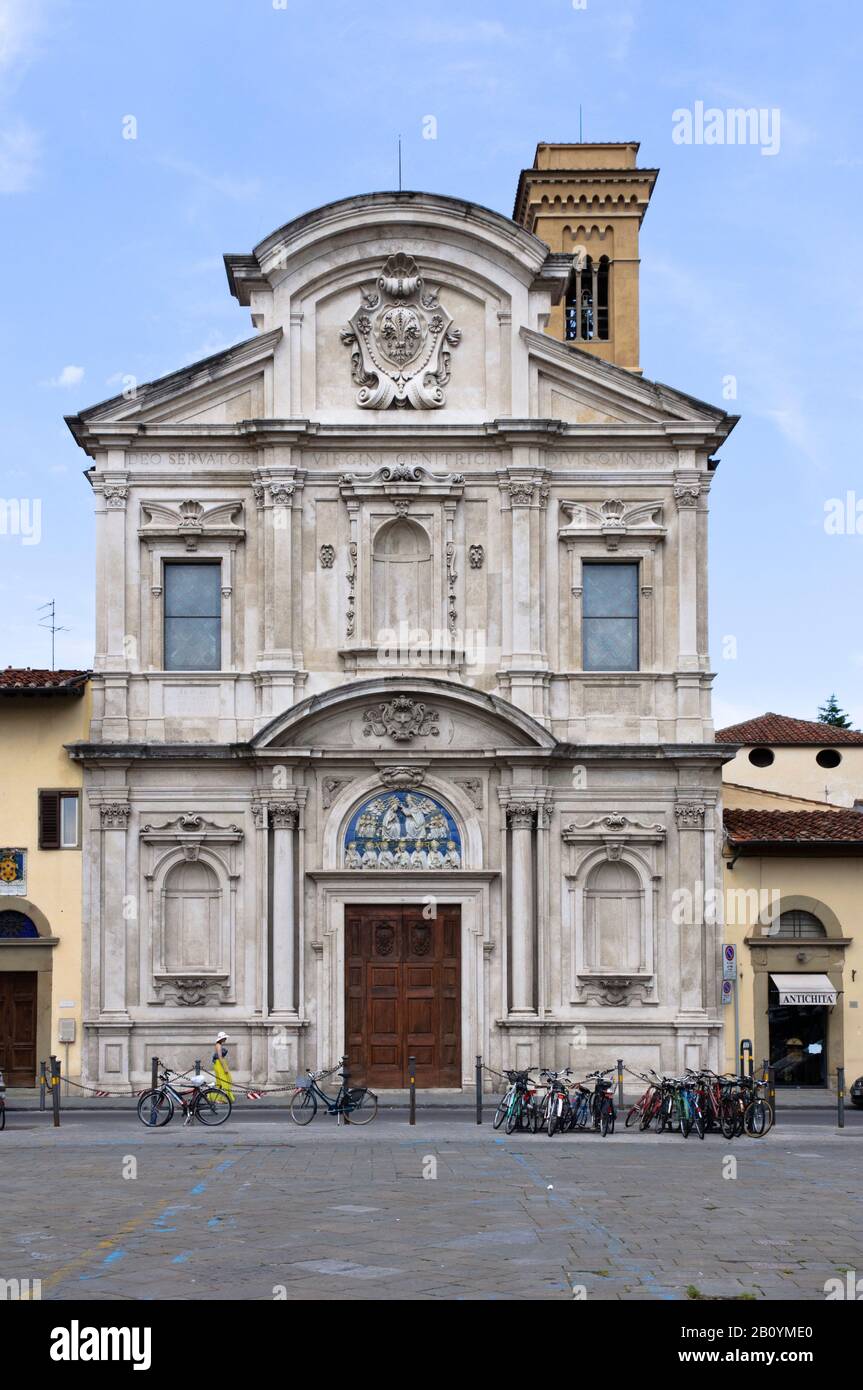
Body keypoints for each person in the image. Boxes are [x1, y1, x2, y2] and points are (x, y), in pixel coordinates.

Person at [211, 1031, 234, 1101]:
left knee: (222, 1082)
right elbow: (220, 1057)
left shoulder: (218, 1045)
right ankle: (221, 1099)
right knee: (224, 1081)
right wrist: (225, 1068)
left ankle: (220, 1098)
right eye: (224, 1038)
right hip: (219, 1064)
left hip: (219, 1064)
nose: (226, 1039)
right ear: (221, 1039)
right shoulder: (218, 1045)